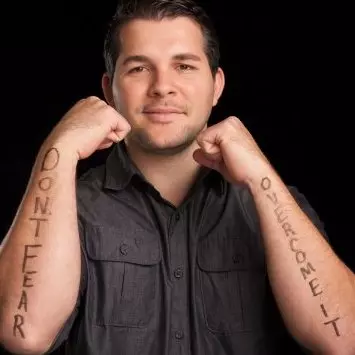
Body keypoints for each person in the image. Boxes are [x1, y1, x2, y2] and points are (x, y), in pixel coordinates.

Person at [0, 0, 355, 354]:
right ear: (109, 91)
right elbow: (24, 335)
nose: (162, 87)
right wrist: (58, 151)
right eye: (139, 68)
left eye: (184, 66)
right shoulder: (67, 208)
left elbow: (343, 339)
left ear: (216, 86)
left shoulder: (274, 201)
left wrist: (262, 177)